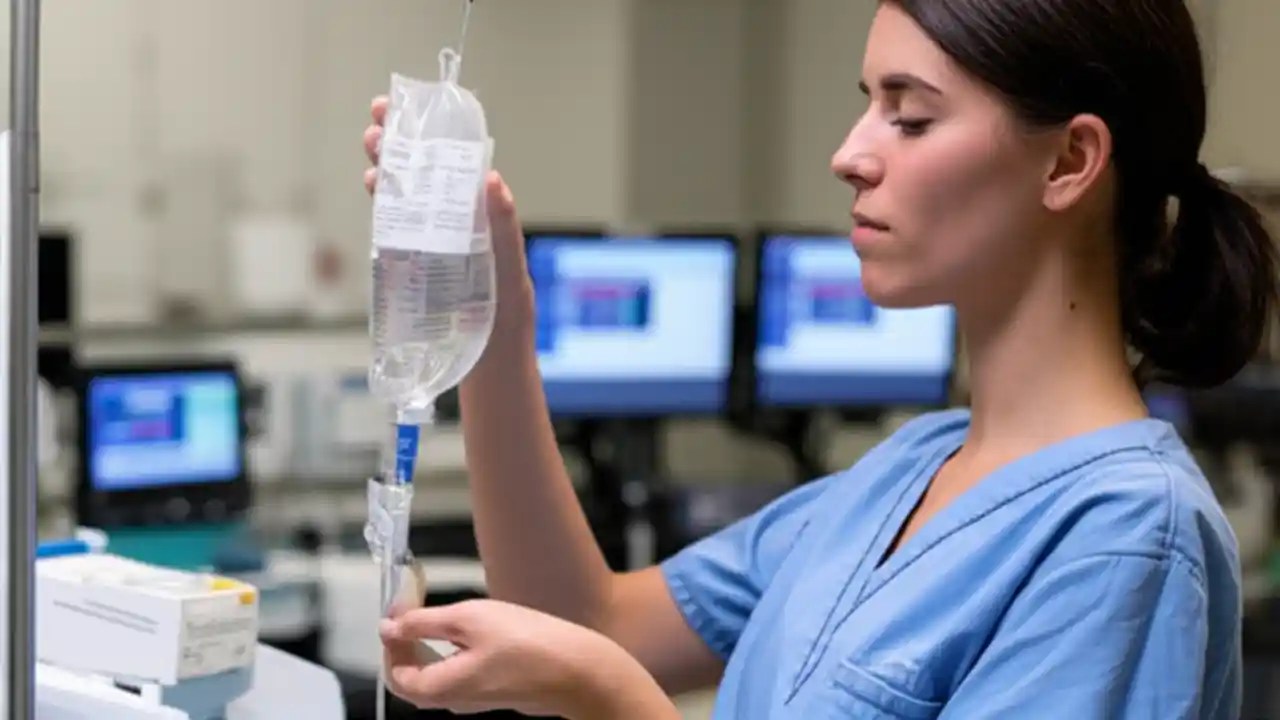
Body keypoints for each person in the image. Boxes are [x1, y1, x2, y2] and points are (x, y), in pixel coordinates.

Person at [363, 1, 1279, 717]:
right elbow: (583, 623)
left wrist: (612, 700)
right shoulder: (905, 472)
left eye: (909, 118)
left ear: (1069, 161)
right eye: (865, 106)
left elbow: (599, 664)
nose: (849, 156)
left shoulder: (1125, 538)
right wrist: (490, 315)